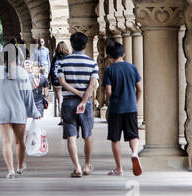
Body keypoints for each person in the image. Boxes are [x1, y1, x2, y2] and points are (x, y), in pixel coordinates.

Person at [0, 48, 40, 178]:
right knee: (20, 142)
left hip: (2, 111)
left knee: (6, 141)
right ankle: (20, 166)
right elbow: (28, 95)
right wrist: (34, 111)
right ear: (17, 58)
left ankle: (10, 169)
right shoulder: (22, 73)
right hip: (19, 111)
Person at [54, 31, 99, 177]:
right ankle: (87, 165)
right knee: (88, 135)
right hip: (85, 103)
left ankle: (77, 167)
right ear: (86, 45)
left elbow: (62, 83)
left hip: (68, 102)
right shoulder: (92, 63)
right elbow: (93, 84)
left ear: (72, 45)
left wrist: (76, 93)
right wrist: (84, 98)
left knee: (71, 136)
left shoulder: (63, 62)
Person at [101, 39, 143, 176]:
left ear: (109, 56)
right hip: (130, 106)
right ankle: (135, 153)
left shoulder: (109, 70)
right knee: (133, 134)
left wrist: (109, 101)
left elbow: (108, 90)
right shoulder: (132, 68)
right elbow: (139, 88)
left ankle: (119, 168)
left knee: (115, 138)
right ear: (123, 54)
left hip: (115, 108)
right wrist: (135, 101)